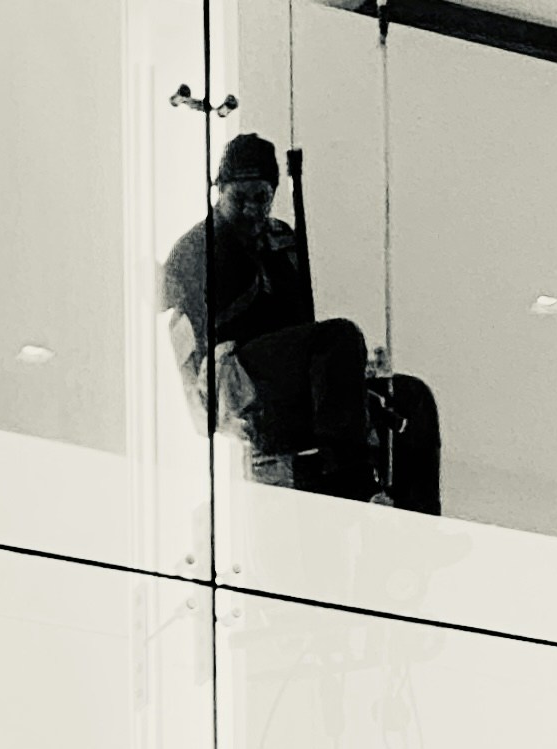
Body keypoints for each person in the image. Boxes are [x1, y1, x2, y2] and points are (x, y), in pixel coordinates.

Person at [162, 131, 439, 514]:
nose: (251, 210)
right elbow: (186, 344)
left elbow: (300, 327)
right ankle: (352, 484)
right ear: (219, 191)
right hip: (236, 372)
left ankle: (419, 518)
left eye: (261, 199)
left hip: (285, 369)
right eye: (239, 199)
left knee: (408, 396)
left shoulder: (281, 239)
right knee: (340, 337)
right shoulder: (194, 249)